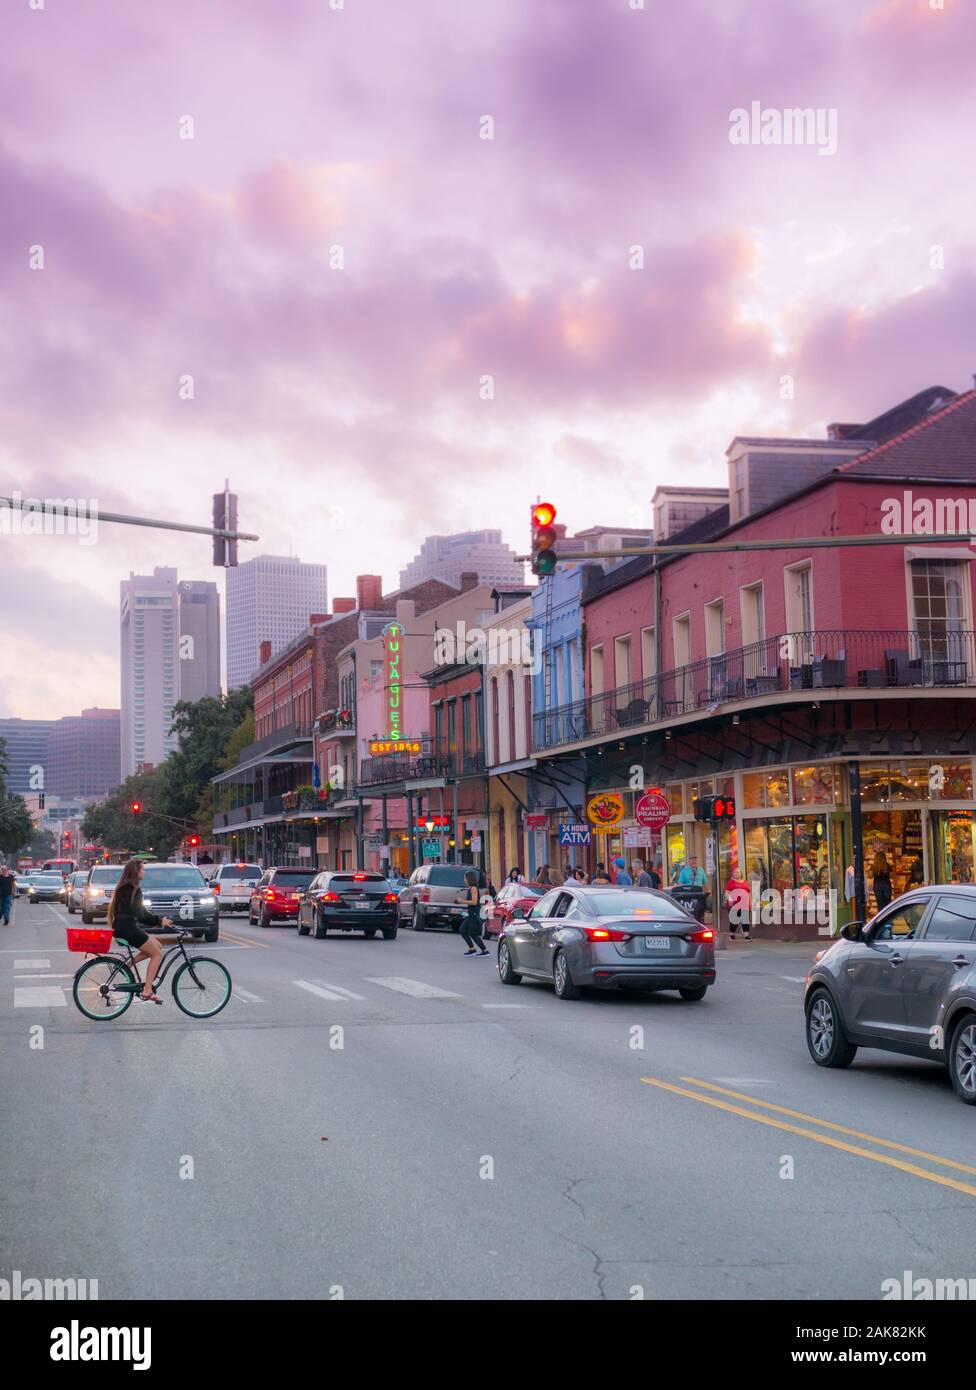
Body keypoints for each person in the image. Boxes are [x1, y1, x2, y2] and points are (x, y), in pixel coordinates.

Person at [107, 859, 175, 1003]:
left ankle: (128, 965)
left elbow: (137, 912)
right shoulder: (133, 889)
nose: (144, 871)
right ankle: (147, 990)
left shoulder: (124, 887)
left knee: (157, 945)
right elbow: (141, 914)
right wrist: (160, 921)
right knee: (157, 954)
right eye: (142, 869)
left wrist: (157, 920)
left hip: (123, 927)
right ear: (136, 872)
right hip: (128, 928)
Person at [457, 869, 489, 957]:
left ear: (469, 878)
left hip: (474, 913)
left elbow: (475, 902)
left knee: (473, 933)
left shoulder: (474, 888)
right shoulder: (470, 888)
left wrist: (462, 901)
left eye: (465, 878)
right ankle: (472, 949)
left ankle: (485, 950)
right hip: (470, 913)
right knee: (462, 930)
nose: (464, 880)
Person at [725, 864, 751, 942]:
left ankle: (746, 936)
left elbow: (749, 892)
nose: (737, 873)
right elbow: (727, 892)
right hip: (734, 904)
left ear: (741, 873)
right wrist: (730, 900)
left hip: (745, 904)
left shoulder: (745, 882)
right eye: (735, 872)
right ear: (733, 874)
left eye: (738, 872)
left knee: (745, 919)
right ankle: (732, 934)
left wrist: (750, 901)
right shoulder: (731, 882)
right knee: (734, 920)